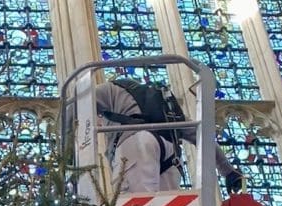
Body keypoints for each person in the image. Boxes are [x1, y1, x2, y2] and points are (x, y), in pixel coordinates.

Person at [92, 80, 244, 194]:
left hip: (137, 143)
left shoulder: (112, 89)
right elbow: (202, 136)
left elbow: (77, 104)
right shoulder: (167, 110)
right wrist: (228, 171)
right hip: (171, 157)